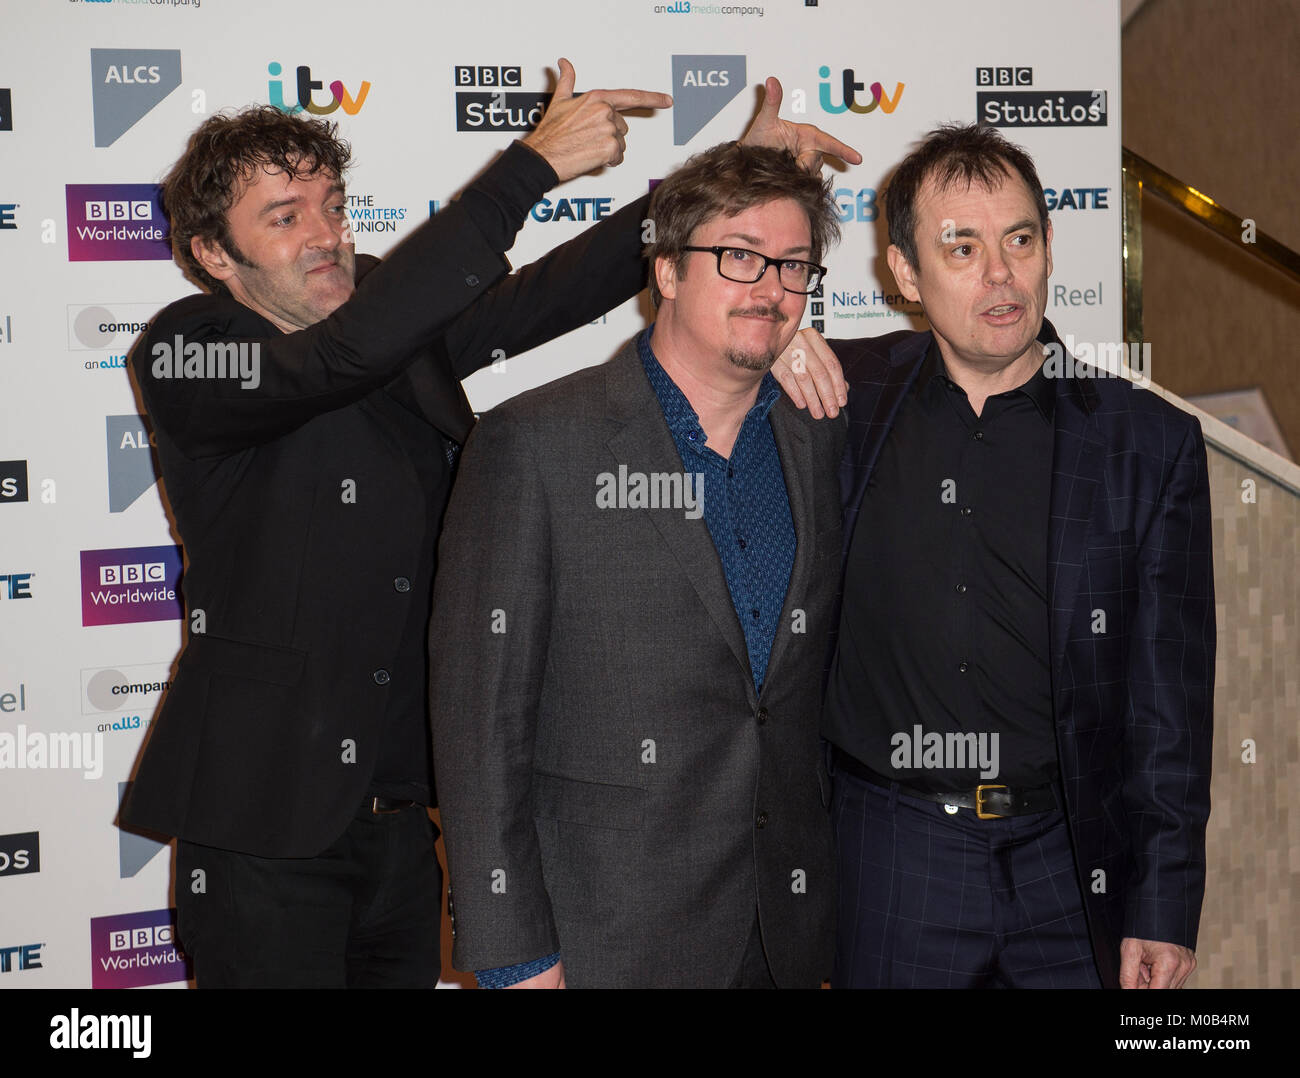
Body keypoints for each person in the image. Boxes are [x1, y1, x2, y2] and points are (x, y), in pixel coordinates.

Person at [120, 63, 852, 988]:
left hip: (403, 818)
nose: (327, 234)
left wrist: (723, 195)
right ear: (213, 256)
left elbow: (540, 298)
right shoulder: (191, 349)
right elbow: (343, 357)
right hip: (263, 823)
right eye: (286, 216)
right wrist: (531, 166)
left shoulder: (391, 326)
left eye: (334, 204)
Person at [790, 121, 1214, 989]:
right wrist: (774, 334)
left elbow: (1169, 708)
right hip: (894, 851)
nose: (1000, 275)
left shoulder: (1149, 444)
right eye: (962, 247)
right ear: (905, 274)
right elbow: (699, 339)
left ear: (1051, 246)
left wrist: (1163, 906)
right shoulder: (840, 398)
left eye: (1020, 240)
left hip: (1070, 857)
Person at [429, 140, 847, 988]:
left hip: (785, 934)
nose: (769, 287)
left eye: (794, 266)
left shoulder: (819, 435)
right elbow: (480, 726)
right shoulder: (533, 444)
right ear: (665, 270)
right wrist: (516, 954)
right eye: (738, 257)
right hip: (604, 939)